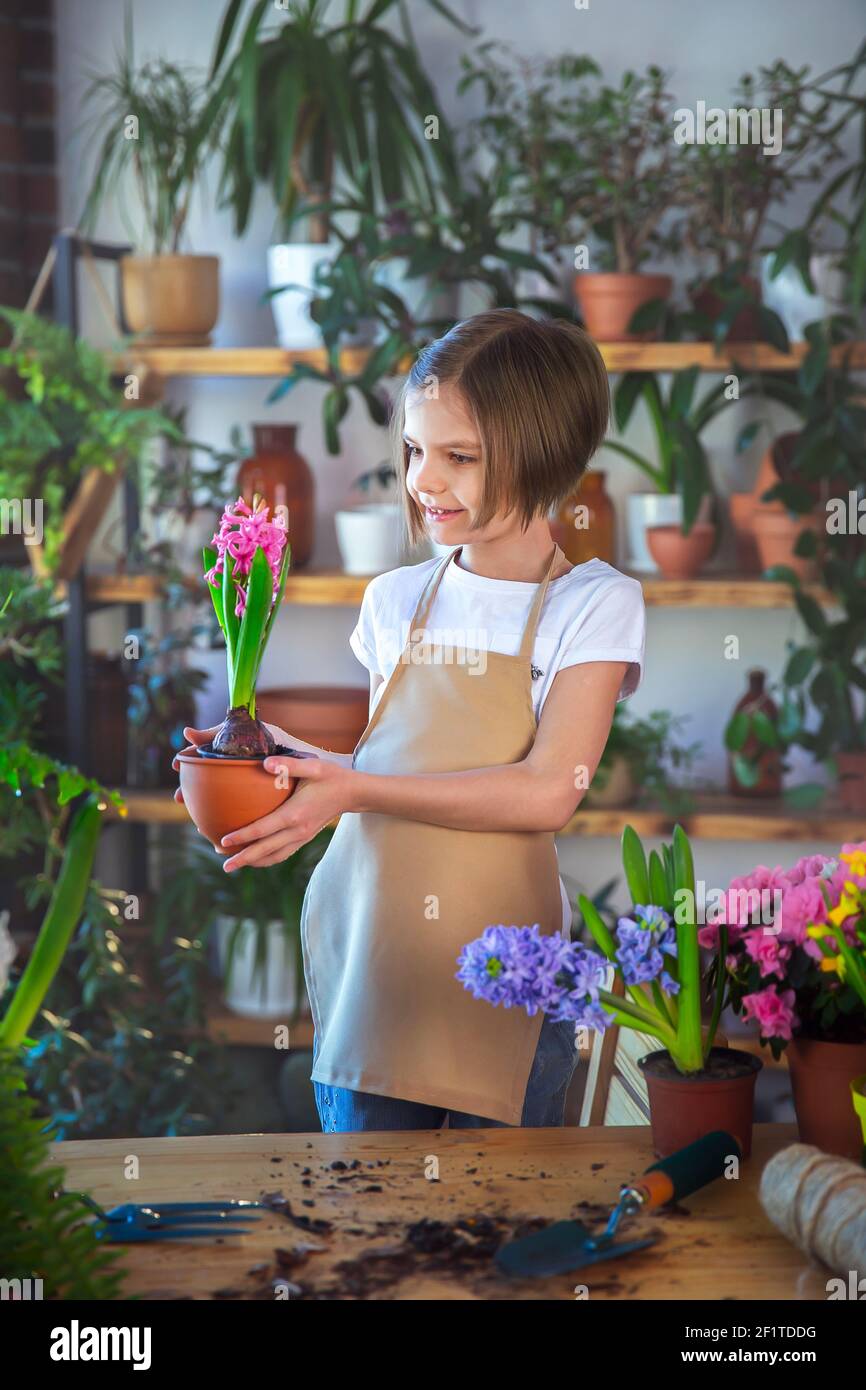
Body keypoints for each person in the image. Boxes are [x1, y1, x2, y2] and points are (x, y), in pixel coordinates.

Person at [177, 309, 646, 1132]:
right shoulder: (393, 601)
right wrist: (283, 761)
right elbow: (389, 762)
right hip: (375, 969)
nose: (425, 480)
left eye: (459, 457)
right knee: (366, 1236)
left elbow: (546, 793)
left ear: (546, 456)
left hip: (507, 985)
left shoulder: (593, 603)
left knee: (494, 1233)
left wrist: (351, 786)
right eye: (415, 450)